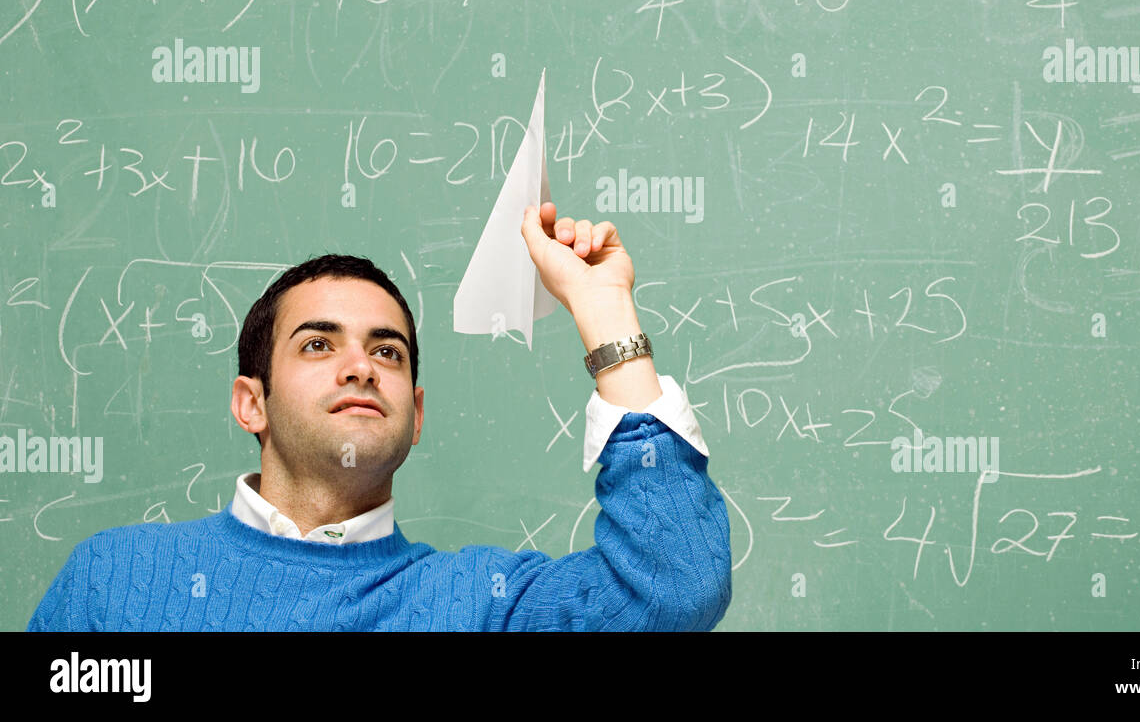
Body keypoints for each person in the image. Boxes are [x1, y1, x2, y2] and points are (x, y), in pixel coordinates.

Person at [27, 203, 731, 631]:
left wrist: (603, 307)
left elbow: (673, 586)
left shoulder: (477, 605)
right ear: (251, 403)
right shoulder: (113, 580)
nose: (360, 365)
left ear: (415, 415)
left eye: (387, 351)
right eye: (318, 343)